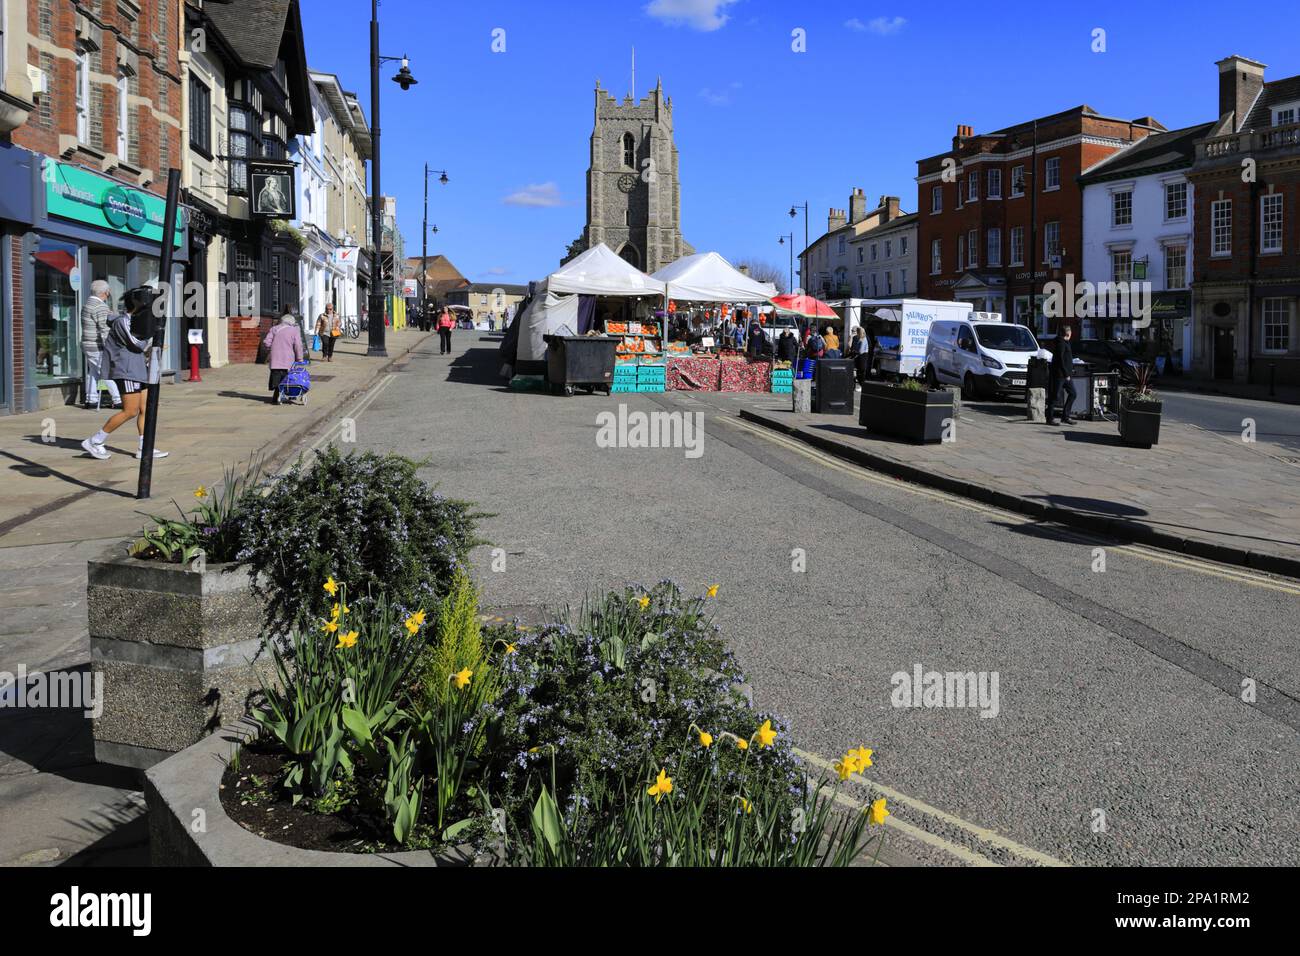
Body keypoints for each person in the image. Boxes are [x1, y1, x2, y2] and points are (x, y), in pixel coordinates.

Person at [80, 294, 167, 461]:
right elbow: (136, 343)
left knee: (146, 409)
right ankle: (95, 441)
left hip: (138, 370)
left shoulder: (137, 323)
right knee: (130, 411)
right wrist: (151, 336)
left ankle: (144, 447)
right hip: (126, 371)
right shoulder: (122, 322)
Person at [80, 280, 121, 410]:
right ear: (105, 293)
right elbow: (105, 330)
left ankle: (91, 399)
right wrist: (111, 348)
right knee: (105, 372)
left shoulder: (87, 304)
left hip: (87, 343)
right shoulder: (100, 306)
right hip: (97, 345)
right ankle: (118, 399)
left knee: (93, 372)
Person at [264, 312, 305, 404]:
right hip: (288, 359)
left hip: (275, 359)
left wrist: (270, 349)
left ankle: (276, 397)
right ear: (291, 322)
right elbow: (298, 345)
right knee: (289, 378)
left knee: (276, 377)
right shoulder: (294, 330)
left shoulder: (274, 329)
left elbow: (267, 342)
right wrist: (299, 358)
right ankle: (291, 396)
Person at [1047, 324, 1077, 426]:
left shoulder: (1066, 342)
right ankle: (1049, 418)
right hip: (1060, 375)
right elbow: (1060, 359)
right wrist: (1066, 373)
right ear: (1068, 333)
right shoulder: (1061, 343)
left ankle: (1065, 416)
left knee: (1073, 393)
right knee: (1054, 396)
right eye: (1071, 332)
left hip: (1066, 375)